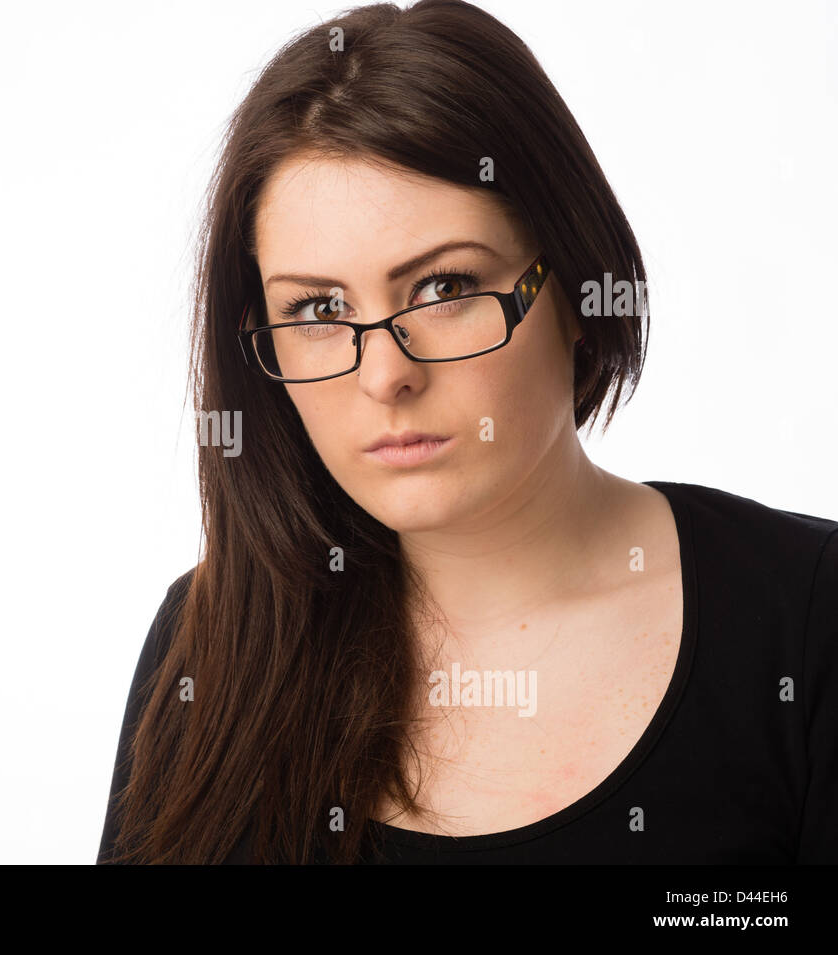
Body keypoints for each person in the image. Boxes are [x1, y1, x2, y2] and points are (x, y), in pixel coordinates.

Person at [97, 0, 838, 864]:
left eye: (444, 288)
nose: (385, 375)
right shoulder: (211, 641)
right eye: (319, 309)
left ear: (576, 288)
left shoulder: (805, 619)